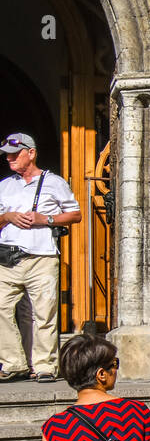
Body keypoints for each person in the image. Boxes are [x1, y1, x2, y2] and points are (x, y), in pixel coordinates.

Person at [0, 133, 82, 382]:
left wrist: (44, 219)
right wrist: (7, 217)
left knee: (44, 312)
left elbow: (75, 214)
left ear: (31, 153)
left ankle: (45, 366)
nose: (10, 159)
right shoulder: (4, 185)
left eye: (15, 154)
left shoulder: (54, 182)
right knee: (1, 307)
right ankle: (13, 362)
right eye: (7, 155)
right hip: (8, 258)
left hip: (42, 257)